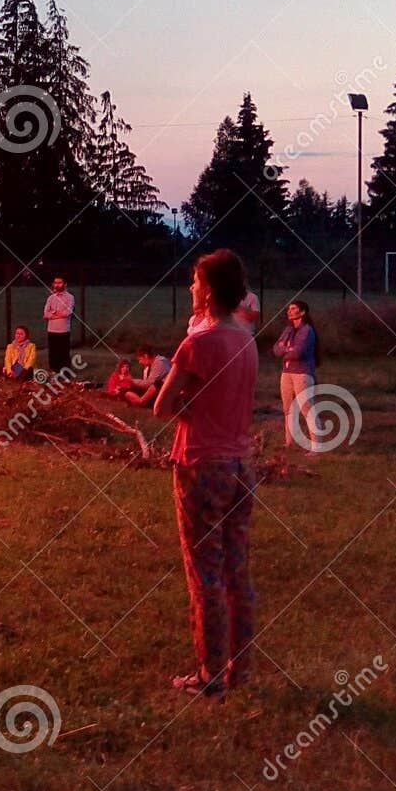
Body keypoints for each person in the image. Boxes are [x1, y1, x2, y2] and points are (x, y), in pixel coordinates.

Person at [154, 249, 260, 700]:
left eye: (195, 282)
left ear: (210, 290)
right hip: (241, 465)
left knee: (205, 574)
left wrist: (185, 405)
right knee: (237, 569)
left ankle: (208, 676)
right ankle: (240, 668)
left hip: (200, 465)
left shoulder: (197, 343)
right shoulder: (247, 339)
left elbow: (162, 405)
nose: (191, 289)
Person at [272, 299, 320, 452]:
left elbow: (298, 352)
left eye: (293, 309)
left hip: (302, 373)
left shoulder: (307, 330)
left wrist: (285, 349)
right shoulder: (288, 330)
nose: (289, 311)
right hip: (287, 372)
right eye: (289, 309)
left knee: (306, 407)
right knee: (288, 408)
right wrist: (286, 349)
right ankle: (289, 442)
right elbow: (275, 349)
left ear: (302, 312)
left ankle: (316, 446)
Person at [122, 343, 171, 408]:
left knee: (156, 384)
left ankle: (141, 401)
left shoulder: (160, 362)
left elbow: (149, 383)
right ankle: (141, 402)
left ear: (145, 356)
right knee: (127, 391)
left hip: (164, 391)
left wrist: (132, 381)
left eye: (140, 359)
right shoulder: (149, 367)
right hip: (152, 392)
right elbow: (145, 384)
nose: (140, 362)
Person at [43, 276, 75, 373]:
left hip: (64, 330)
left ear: (65, 284)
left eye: (59, 282)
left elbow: (67, 312)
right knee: (53, 352)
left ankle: (65, 373)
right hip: (52, 330)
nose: (57, 284)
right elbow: (45, 314)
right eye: (55, 282)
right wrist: (57, 314)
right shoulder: (51, 298)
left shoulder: (70, 297)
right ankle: (54, 371)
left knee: (64, 353)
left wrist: (53, 313)